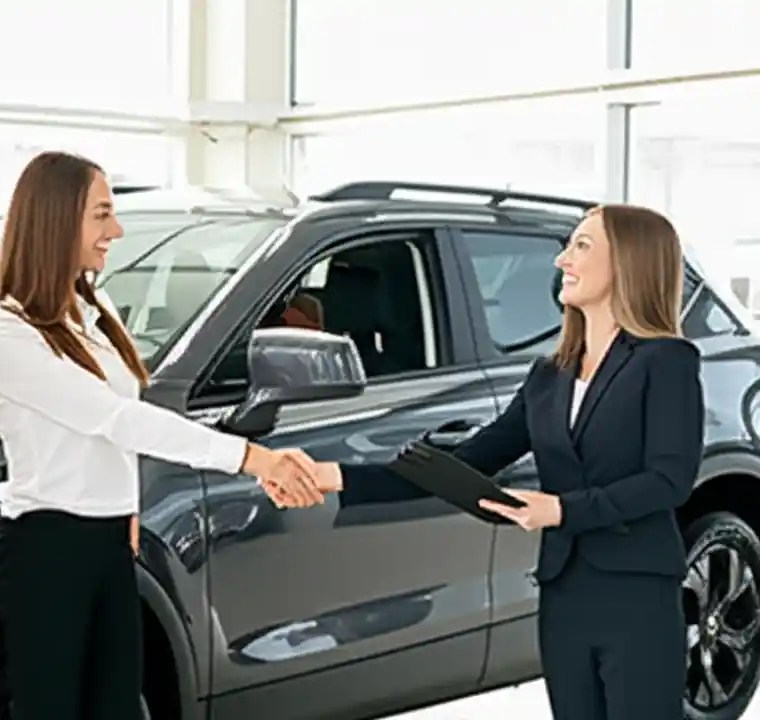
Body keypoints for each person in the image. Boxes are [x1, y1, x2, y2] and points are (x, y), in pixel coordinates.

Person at [289, 203, 703, 720]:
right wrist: (332, 476)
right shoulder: (547, 377)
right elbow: (462, 467)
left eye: (582, 246)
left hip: (637, 593)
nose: (562, 261)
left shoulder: (666, 361)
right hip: (565, 594)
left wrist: (560, 511)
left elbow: (669, 480)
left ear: (631, 261)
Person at [0, 151, 330, 720]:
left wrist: (121, 501)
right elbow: (114, 418)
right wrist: (256, 459)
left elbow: (115, 426)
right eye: (102, 214)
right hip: (50, 548)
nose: (117, 230)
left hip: (109, 540)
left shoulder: (90, 306)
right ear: (57, 219)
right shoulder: (0, 333)